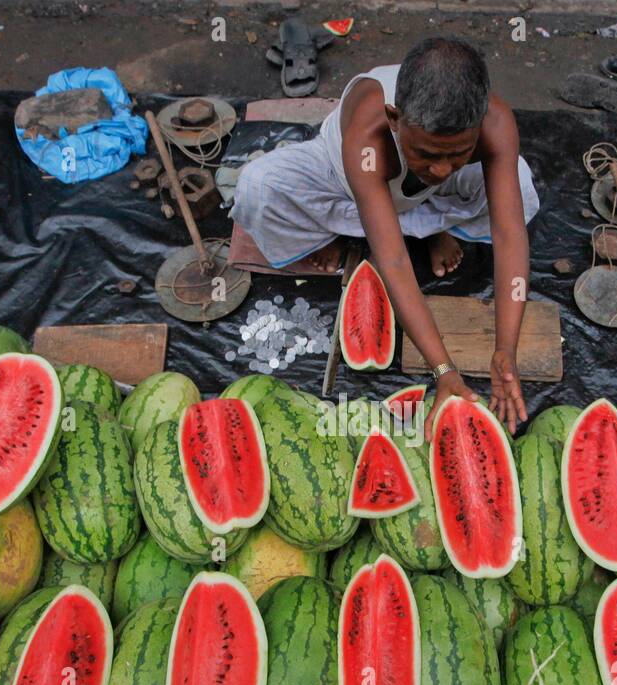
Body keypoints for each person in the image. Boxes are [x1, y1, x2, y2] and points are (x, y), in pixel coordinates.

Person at [230, 37, 540, 437]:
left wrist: (506, 350)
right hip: (348, 182)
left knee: (523, 186)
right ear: (395, 119)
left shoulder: (494, 124)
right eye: (428, 152)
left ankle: (430, 228)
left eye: (458, 153)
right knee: (259, 188)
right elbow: (392, 259)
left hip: (415, 197)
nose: (443, 168)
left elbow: (510, 233)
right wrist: (444, 370)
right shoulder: (368, 128)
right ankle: (411, 228)